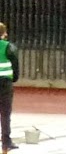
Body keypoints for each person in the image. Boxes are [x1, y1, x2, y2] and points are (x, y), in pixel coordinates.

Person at [0, 20, 16, 154]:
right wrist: (14, 78)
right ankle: (6, 143)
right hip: (5, 83)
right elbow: (15, 64)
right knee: (5, 113)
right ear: (4, 34)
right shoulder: (8, 47)